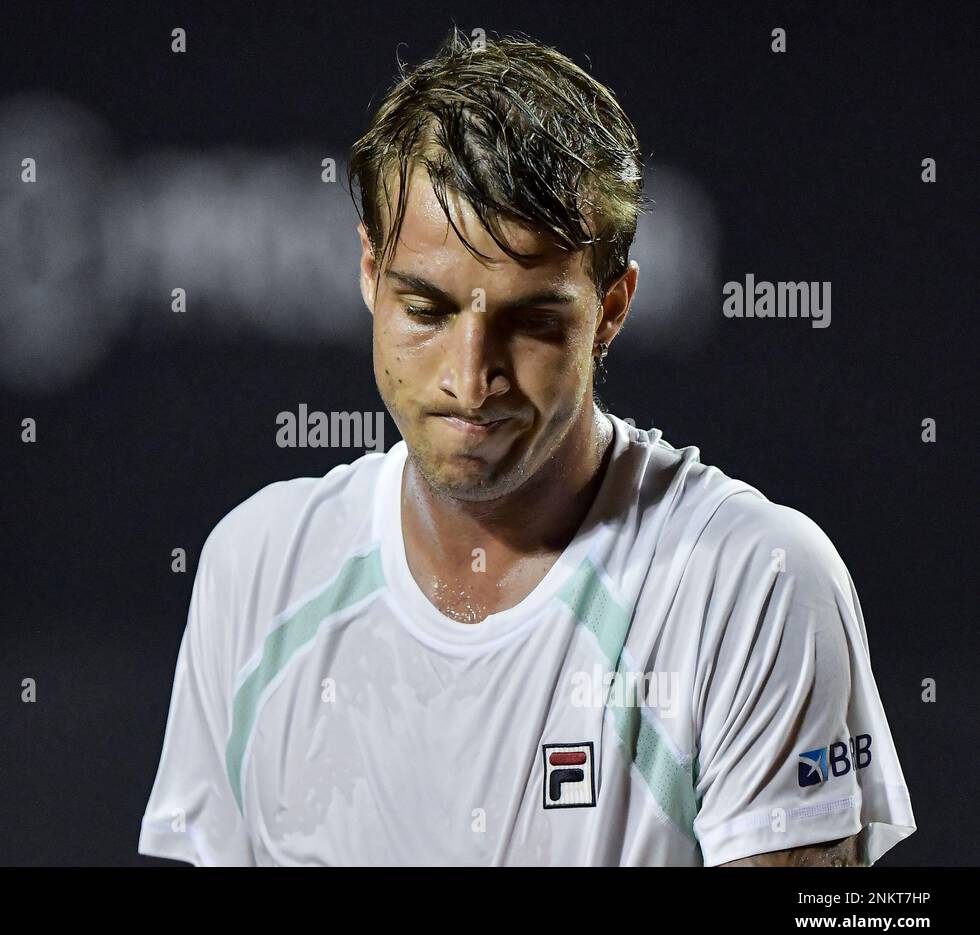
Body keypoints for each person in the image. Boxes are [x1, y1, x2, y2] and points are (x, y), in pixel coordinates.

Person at [138, 29, 915, 866]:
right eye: (427, 310)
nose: (472, 380)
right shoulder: (253, 567)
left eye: (532, 322)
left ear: (612, 309)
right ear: (369, 273)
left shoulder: (755, 583)